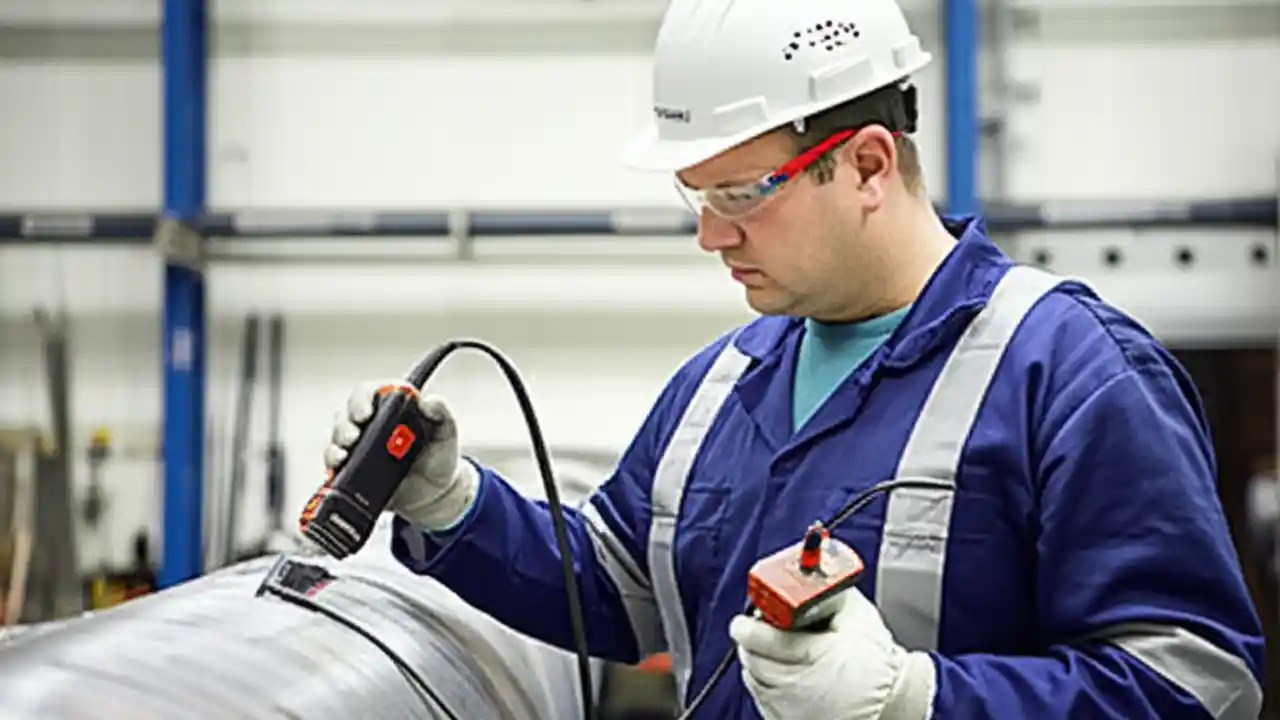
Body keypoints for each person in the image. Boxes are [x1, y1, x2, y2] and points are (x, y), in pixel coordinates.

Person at [320, 0, 1266, 717]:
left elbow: (1196, 677)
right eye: (695, 197)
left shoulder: (1070, 376)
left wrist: (915, 698)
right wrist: (456, 505)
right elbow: (619, 591)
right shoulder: (719, 385)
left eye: (738, 193)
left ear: (864, 166)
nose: (709, 237)